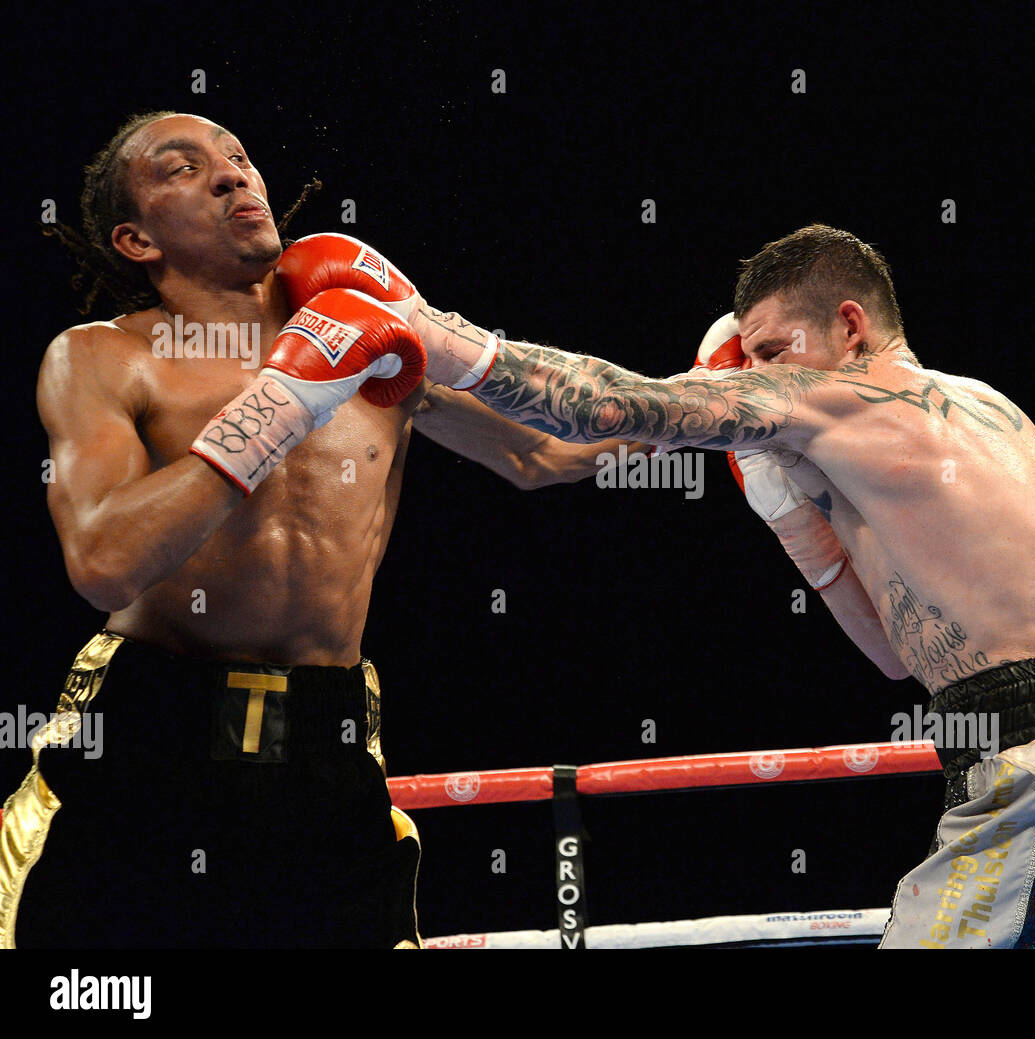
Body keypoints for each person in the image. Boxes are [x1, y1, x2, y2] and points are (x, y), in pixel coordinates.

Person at [412, 223, 1035, 949]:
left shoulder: (844, 401)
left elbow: (606, 405)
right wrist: (787, 511)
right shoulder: (986, 407)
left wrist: (432, 334)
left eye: (773, 353)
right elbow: (895, 655)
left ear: (849, 325)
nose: (757, 378)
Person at [1, 111, 636, 949]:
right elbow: (103, 562)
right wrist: (283, 401)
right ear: (135, 238)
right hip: (147, 737)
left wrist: (729, 405)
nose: (232, 175)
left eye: (238, 157)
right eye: (181, 169)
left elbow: (548, 450)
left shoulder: (379, 337)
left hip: (325, 743)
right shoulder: (102, 358)